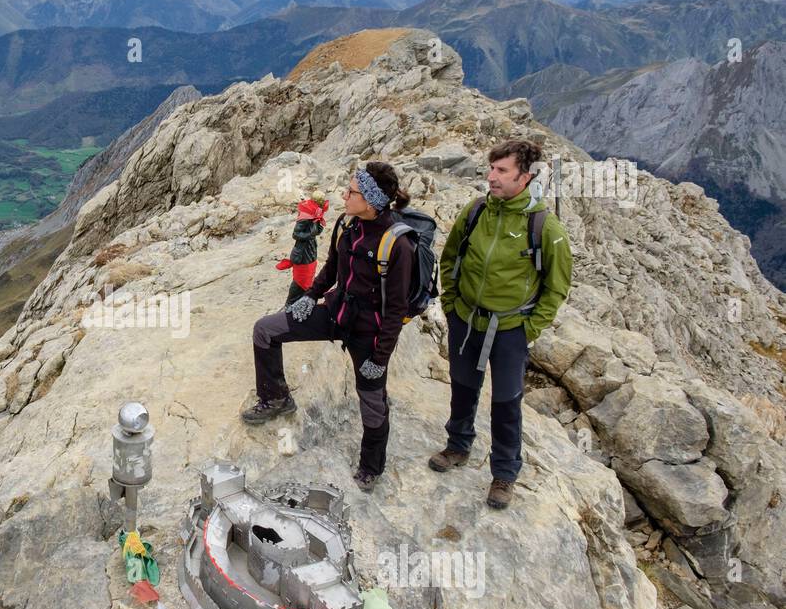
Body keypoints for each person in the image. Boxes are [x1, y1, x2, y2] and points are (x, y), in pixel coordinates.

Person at [245, 161, 414, 492]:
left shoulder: (398, 245)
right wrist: (310, 297)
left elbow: (396, 310)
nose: (343, 195)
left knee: (373, 400)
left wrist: (379, 359)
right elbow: (332, 270)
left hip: (369, 332)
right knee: (265, 330)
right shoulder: (347, 224)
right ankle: (276, 397)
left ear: (369, 198)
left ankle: (371, 465)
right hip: (336, 313)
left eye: (350, 191)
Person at [430, 139, 573, 509]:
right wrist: (450, 303)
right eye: (491, 168)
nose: (491, 176)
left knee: (506, 401)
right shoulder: (477, 210)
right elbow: (450, 256)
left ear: (524, 177)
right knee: (462, 386)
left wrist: (528, 329)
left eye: (502, 171)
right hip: (466, 318)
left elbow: (557, 288)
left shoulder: (545, 227)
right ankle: (458, 446)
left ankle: (505, 474)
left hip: (509, 328)